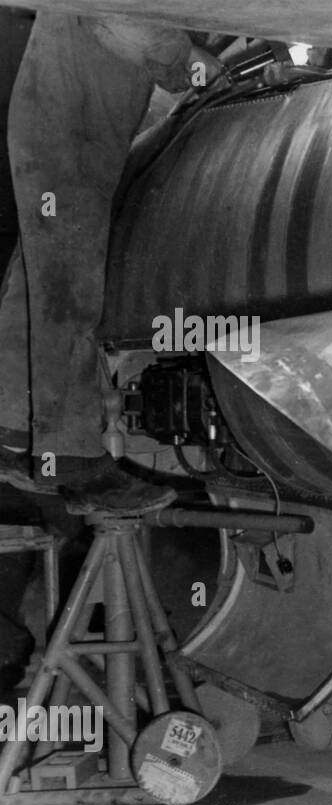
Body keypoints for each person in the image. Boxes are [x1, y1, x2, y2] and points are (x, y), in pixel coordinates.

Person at [0, 13, 221, 512]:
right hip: (70, 133)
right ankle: (73, 458)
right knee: (67, 296)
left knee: (38, 286)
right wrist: (190, 63)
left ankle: (13, 435)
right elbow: (128, 20)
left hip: (65, 128)